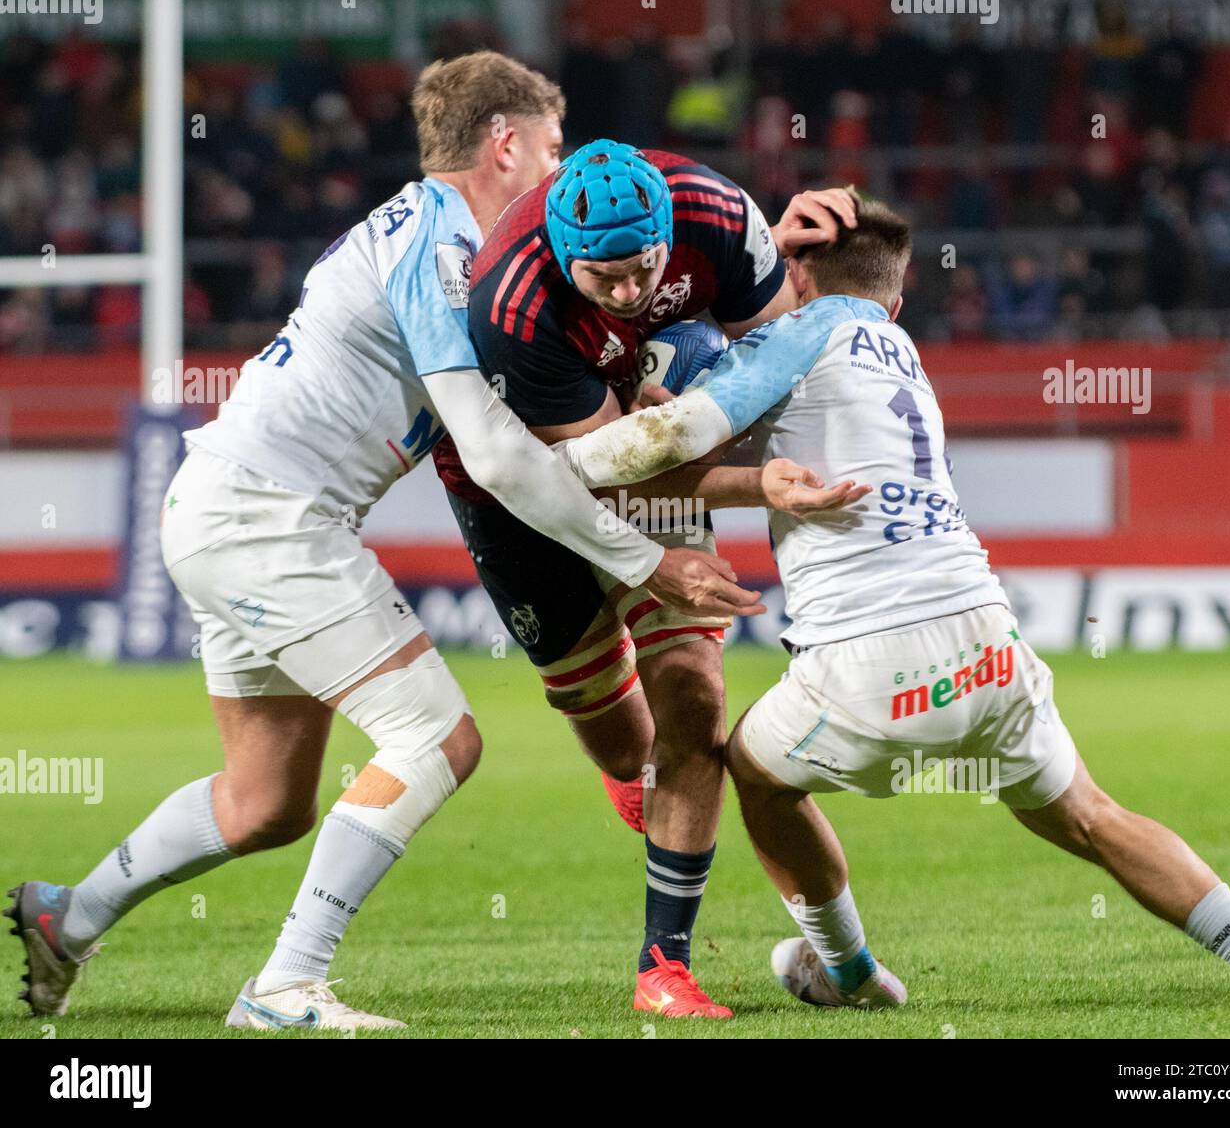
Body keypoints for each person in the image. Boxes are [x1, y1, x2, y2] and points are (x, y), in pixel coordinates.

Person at [3, 53, 766, 1032]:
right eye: (552, 145)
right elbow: (493, 453)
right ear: (507, 143)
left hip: (224, 504)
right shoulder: (446, 245)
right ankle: (283, 987)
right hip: (270, 515)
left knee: (264, 798)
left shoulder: (424, 236)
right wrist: (647, 561)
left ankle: (66, 917)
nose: (561, 168)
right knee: (437, 738)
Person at [554, 195, 1230, 1014]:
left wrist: (566, 455)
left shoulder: (796, 332)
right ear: (896, 299)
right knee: (1090, 813)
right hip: (987, 638)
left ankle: (846, 968)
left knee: (754, 772)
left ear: (794, 278)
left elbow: (657, 447)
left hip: (865, 661)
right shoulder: (901, 350)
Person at [455, 138, 857, 1016]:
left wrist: (702, 382)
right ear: (567, 258)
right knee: (623, 742)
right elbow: (600, 472)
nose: (630, 293)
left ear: (668, 232)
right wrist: (748, 481)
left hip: (650, 454)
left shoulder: (719, 217)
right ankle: (632, 770)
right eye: (605, 281)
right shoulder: (513, 306)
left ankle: (662, 969)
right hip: (524, 489)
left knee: (695, 705)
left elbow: (779, 361)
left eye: (642, 271)